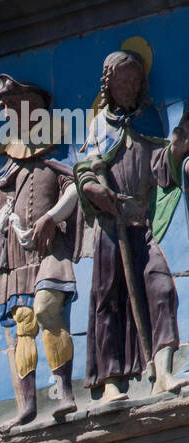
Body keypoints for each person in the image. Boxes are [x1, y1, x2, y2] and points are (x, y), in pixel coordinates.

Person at [74, 48, 189, 400]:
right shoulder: (97, 127)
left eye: (135, 81)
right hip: (111, 229)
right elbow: (83, 172)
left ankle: (163, 371)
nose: (129, 87)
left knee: (162, 290)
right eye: (122, 81)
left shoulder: (149, 120)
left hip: (142, 226)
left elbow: (160, 171)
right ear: (109, 84)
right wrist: (94, 189)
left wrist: (176, 152)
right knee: (109, 299)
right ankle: (110, 382)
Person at [0, 73, 81, 430]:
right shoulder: (11, 165)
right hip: (20, 255)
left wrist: (52, 218)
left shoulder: (58, 153)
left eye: (11, 107)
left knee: (47, 309)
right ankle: (27, 404)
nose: (6, 114)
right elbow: (5, 210)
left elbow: (73, 189)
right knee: (24, 324)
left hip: (51, 249)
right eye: (4, 109)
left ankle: (65, 391)